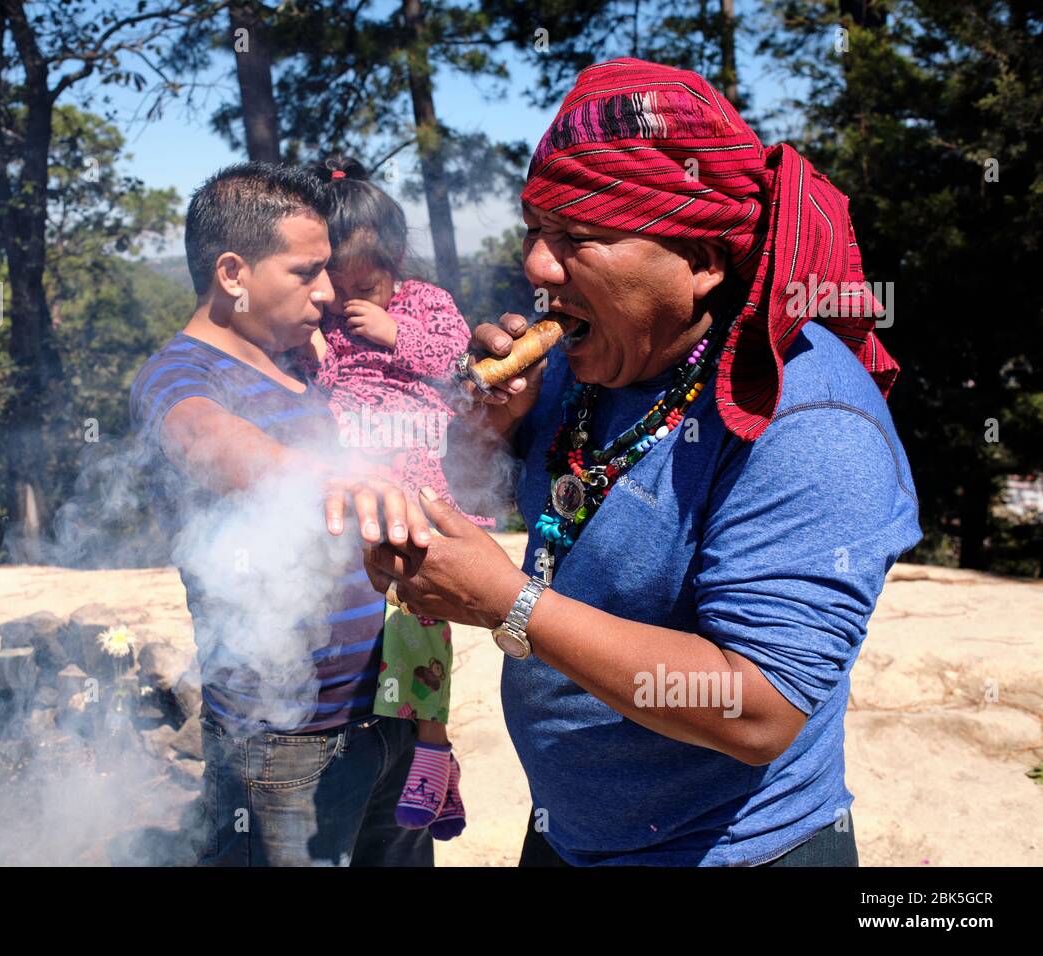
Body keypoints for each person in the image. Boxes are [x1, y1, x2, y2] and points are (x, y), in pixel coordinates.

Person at [356, 59, 923, 866]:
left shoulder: (807, 421)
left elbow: (757, 708)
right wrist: (490, 429)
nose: (539, 266)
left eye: (578, 238)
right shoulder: (591, 366)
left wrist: (510, 606)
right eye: (535, 229)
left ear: (701, 260)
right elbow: (555, 509)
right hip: (568, 835)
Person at [129, 162, 436, 866]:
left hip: (388, 710)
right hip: (287, 744)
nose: (327, 294)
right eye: (306, 273)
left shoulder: (304, 364)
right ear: (232, 273)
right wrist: (345, 483)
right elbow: (205, 437)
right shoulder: (180, 373)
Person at [292, 155, 492, 839]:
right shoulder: (325, 322)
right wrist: (318, 356)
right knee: (352, 622)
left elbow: (463, 363)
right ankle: (398, 753)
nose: (351, 299)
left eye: (365, 284)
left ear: (395, 259)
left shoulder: (424, 304)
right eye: (337, 284)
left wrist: (396, 334)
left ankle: (434, 751)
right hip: (349, 488)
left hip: (411, 487)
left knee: (416, 615)